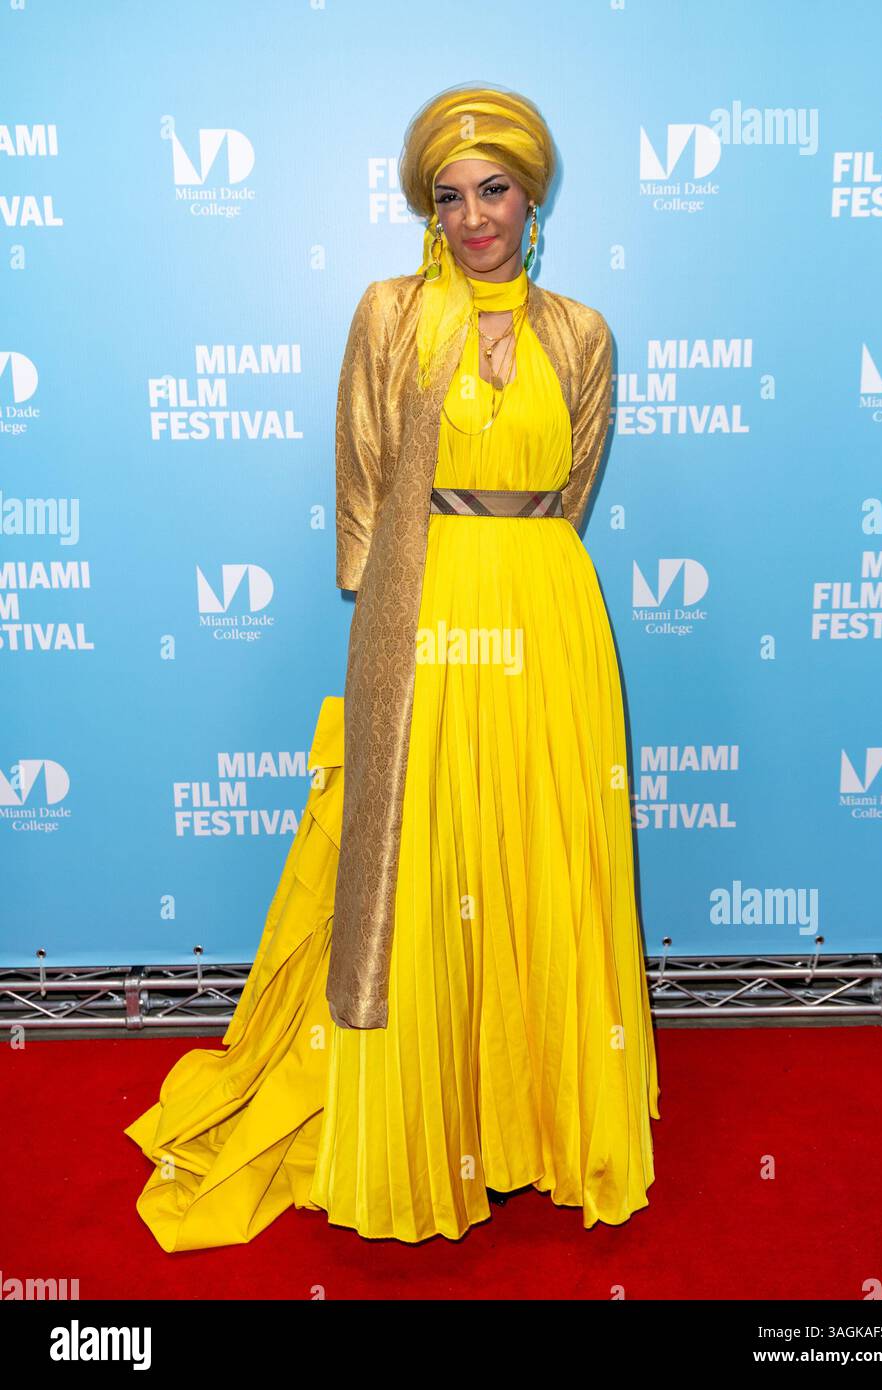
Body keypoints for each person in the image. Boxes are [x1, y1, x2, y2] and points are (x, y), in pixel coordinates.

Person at [123, 83, 660, 1250]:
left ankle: (540, 1122)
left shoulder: (583, 332)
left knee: (537, 851)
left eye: (495, 190)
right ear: (428, 207)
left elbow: (572, 482)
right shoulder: (389, 313)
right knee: (427, 856)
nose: (474, 217)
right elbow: (365, 493)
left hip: (551, 611)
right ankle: (424, 1125)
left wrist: (516, 576)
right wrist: (402, 636)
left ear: (531, 196)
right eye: (449, 196)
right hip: (427, 621)